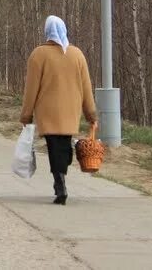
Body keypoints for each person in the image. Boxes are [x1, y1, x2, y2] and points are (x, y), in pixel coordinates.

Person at [20, 15, 98, 206]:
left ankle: (60, 182)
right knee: (62, 146)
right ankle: (60, 180)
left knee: (56, 147)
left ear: (47, 32)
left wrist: (26, 115)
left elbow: (31, 89)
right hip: (70, 111)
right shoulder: (77, 54)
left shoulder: (38, 55)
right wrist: (91, 114)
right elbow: (87, 88)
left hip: (47, 112)